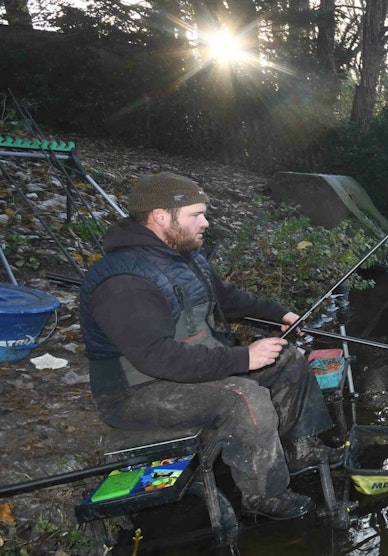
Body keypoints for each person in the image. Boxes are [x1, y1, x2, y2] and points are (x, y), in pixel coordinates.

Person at [79, 173, 338, 520]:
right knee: (243, 396)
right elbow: (157, 357)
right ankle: (263, 493)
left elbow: (227, 299)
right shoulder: (124, 281)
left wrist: (280, 313)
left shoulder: (184, 257)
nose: (206, 222)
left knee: (288, 359)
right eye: (196, 215)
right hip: (136, 392)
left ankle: (300, 450)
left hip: (187, 368)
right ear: (160, 216)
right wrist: (242, 357)